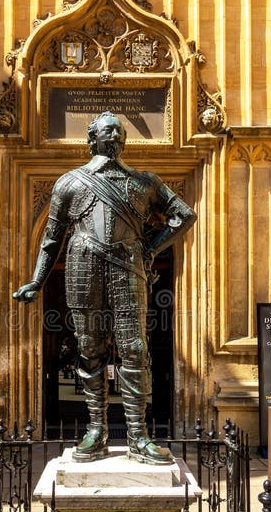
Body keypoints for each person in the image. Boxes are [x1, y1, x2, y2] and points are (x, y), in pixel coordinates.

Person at [14, 111, 197, 464]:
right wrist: (37, 280)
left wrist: (151, 247)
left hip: (128, 267)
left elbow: (184, 214)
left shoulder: (144, 182)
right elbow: (52, 239)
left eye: (118, 131)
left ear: (124, 140)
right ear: (92, 139)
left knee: (134, 347)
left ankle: (138, 434)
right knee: (90, 348)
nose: (113, 136)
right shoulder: (69, 183)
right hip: (83, 267)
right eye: (106, 131)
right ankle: (95, 429)